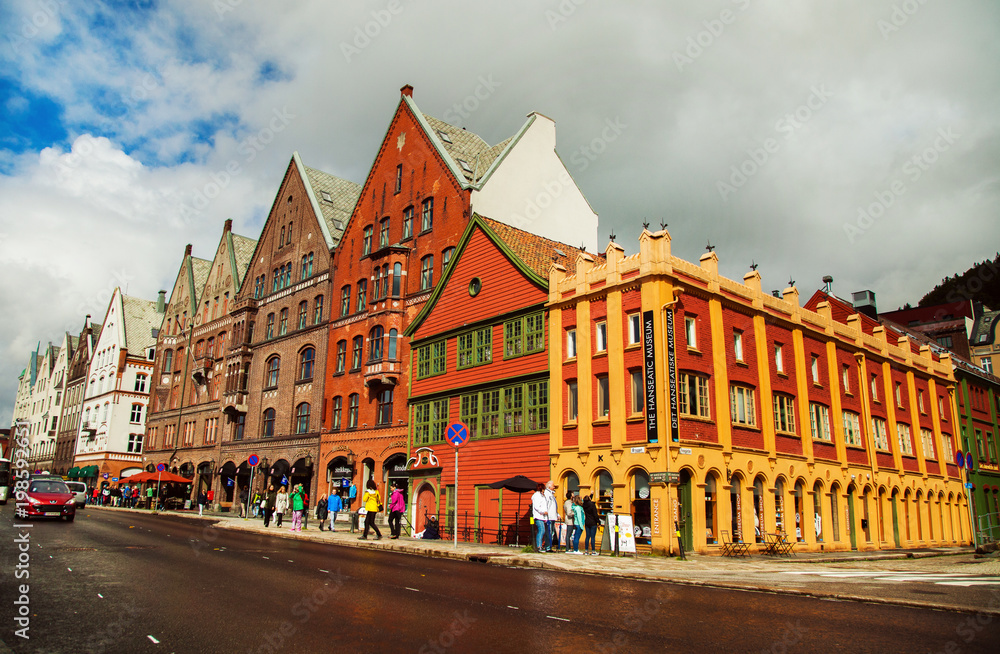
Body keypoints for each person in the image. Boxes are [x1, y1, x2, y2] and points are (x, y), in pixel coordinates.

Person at [531, 482, 548, 552]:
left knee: (541, 530)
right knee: (541, 530)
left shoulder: (541, 496)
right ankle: (539, 546)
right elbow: (536, 506)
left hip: (542, 517)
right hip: (538, 516)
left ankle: (540, 545)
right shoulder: (537, 496)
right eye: (543, 489)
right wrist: (543, 512)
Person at [544, 480, 559, 552]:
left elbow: (554, 506)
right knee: (549, 532)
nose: (554, 487)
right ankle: (547, 546)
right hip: (549, 517)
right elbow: (546, 505)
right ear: (549, 486)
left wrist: (557, 514)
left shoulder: (552, 495)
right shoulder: (547, 494)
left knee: (552, 532)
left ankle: (549, 546)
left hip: (553, 516)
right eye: (553, 486)